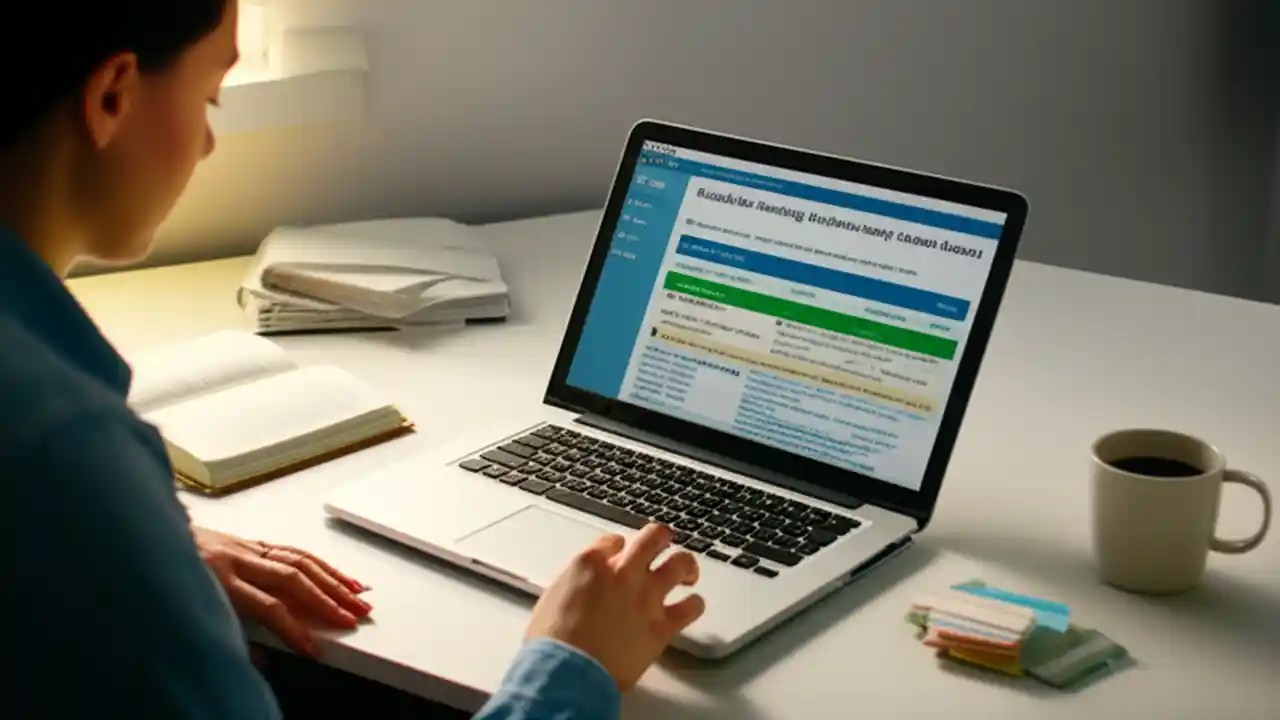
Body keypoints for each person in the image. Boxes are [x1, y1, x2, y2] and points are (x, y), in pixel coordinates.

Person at [0, 2, 705, 718]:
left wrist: (146, 543)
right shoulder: (64, 460)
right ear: (112, 95)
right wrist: (573, 666)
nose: (209, 141)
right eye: (210, 96)